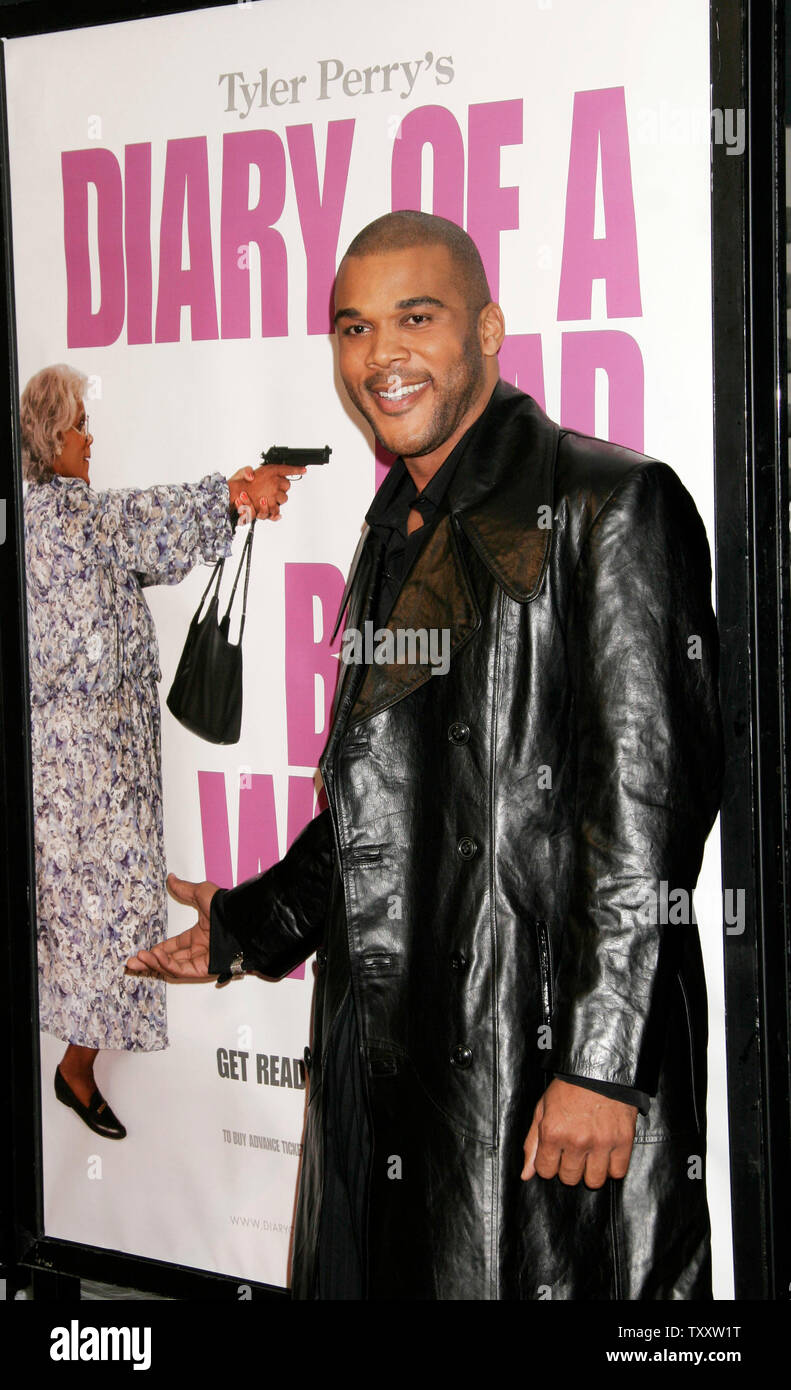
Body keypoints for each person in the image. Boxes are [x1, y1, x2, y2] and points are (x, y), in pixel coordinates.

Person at [129, 211, 723, 1299]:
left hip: (520, 1054)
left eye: (416, 316)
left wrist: (597, 1059)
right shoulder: (394, 522)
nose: (379, 356)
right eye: (353, 328)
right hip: (384, 1052)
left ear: (486, 329)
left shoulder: (607, 500)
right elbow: (387, 798)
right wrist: (252, 921)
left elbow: (649, 801)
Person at [22, 363, 301, 1140]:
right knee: (110, 924)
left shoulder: (74, 525)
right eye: (79, 424)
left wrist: (240, 494)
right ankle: (76, 1070)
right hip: (86, 775)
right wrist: (238, 494)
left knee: (98, 920)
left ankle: (77, 1064)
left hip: (83, 768)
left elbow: (155, 525)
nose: (89, 437)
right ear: (52, 435)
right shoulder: (74, 522)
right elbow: (157, 516)